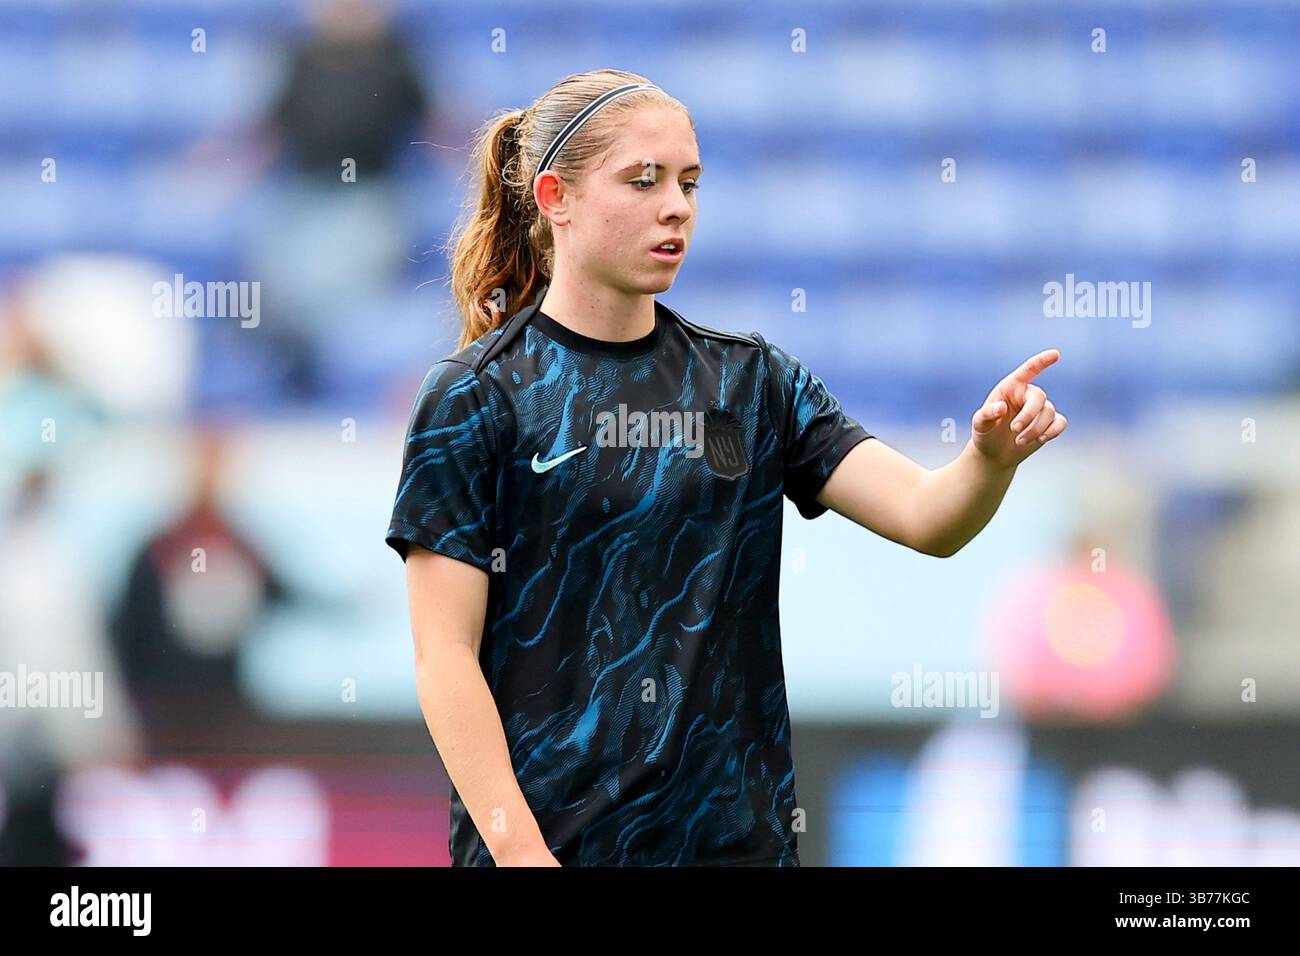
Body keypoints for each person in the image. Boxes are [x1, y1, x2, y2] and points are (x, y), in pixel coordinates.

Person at [384, 69, 1067, 867]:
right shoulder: (477, 397)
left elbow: (928, 518)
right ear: (554, 197)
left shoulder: (751, 382)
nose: (676, 205)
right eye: (643, 180)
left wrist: (987, 458)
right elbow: (445, 657)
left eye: (689, 182)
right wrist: (520, 852)